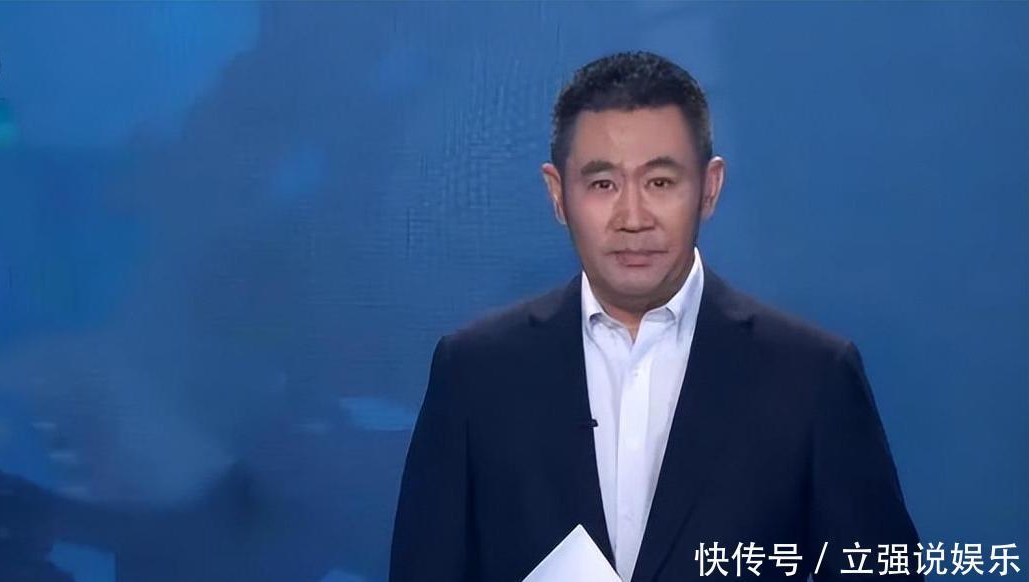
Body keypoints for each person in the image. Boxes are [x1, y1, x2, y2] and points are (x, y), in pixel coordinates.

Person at [389, 51, 922, 581]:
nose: (633, 218)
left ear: (709, 188)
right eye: (603, 184)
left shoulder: (812, 377)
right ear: (558, 195)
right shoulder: (476, 373)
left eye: (660, 183)